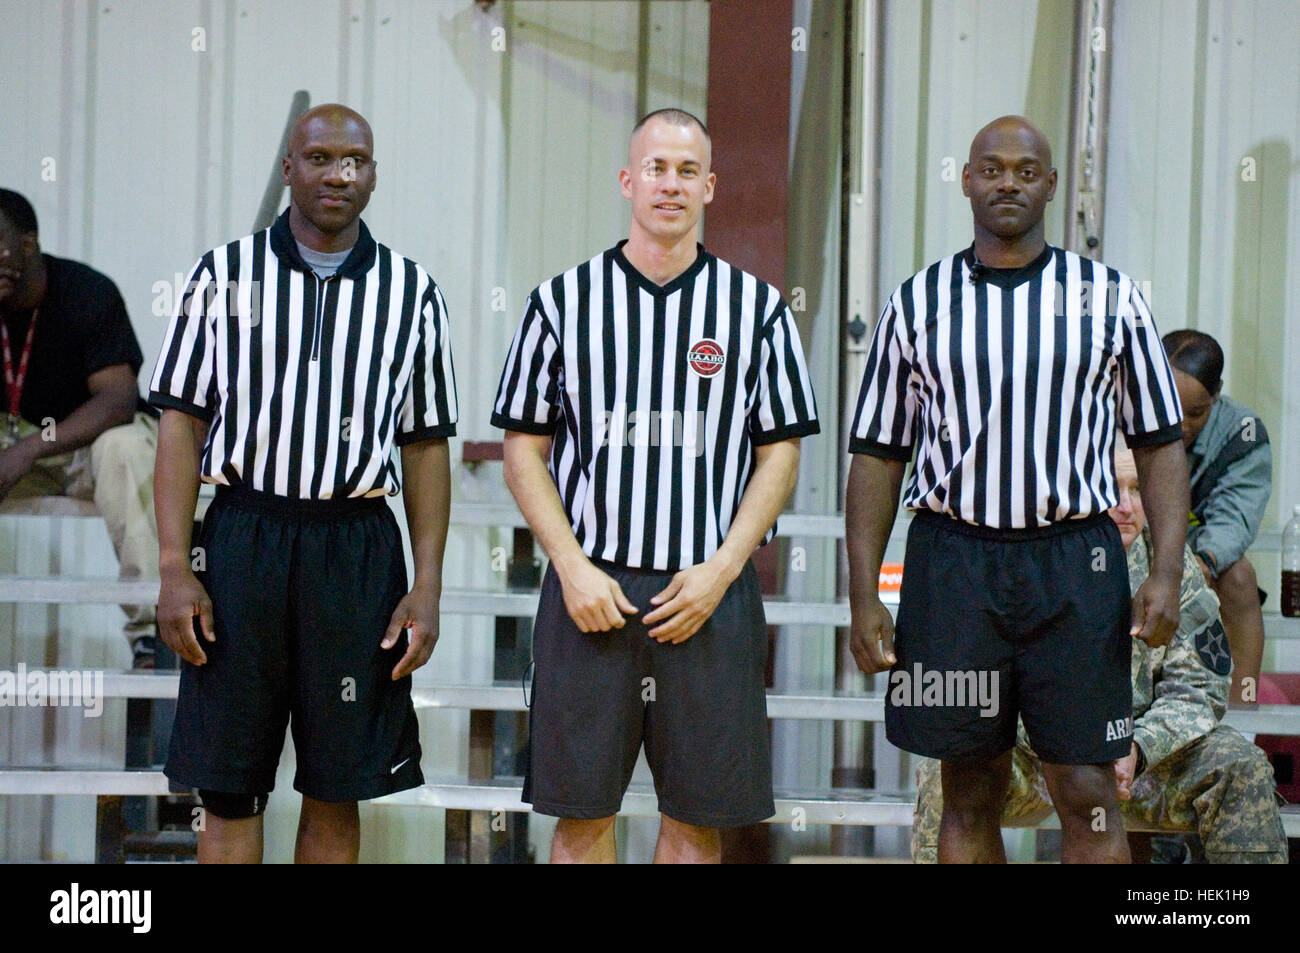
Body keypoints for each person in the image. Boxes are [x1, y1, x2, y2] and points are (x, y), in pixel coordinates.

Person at [845, 116, 1189, 863]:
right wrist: (863, 590)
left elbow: (1160, 444)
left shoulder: (1111, 298)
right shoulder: (918, 301)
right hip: (954, 566)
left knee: (1088, 788)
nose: (1008, 182)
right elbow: (877, 454)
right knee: (967, 787)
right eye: (992, 168)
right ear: (966, 179)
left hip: (1076, 567)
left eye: (1026, 170)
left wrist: (1164, 569)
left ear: (1052, 185)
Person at [491, 108, 819, 864]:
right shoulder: (560, 304)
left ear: (709, 185)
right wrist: (571, 566)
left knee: (697, 822)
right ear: (627, 181)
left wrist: (724, 568)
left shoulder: (756, 310)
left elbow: (780, 454)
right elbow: (522, 450)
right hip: (590, 595)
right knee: (579, 821)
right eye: (655, 167)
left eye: (685, 170)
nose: (669, 184)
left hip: (706, 593)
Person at [149, 104, 457, 863]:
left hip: (355, 552)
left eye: (355, 160)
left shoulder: (413, 293)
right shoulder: (221, 276)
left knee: (336, 785)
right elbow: (179, 427)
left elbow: (424, 448)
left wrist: (429, 585)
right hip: (244, 537)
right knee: (229, 788)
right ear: (289, 168)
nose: (338, 173)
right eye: (320, 157)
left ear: (373, 176)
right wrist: (170, 567)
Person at [911, 447, 1288, 864]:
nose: (1126, 507)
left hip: (1148, 766)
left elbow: (1199, 689)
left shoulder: (1171, 567)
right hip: (1040, 764)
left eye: (1138, 490)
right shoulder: (1029, 555)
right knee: (945, 769)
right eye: (1112, 489)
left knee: (1241, 764)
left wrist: (1139, 747)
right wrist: (1071, 749)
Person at [0, 189, 160, 666]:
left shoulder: (85, 292)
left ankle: (152, 632)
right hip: (15, 446)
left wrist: (28, 450)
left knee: (126, 447)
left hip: (85, 448)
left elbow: (117, 400)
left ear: (28, 245)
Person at [1162, 329, 1271, 709]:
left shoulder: (1242, 432)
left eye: (1196, 413)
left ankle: (1243, 713)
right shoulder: (1122, 412)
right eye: (1170, 407)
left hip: (1201, 554)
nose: (1181, 424)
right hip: (1133, 547)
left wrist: (1203, 561)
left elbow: (1236, 514)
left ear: (1217, 393)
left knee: (1240, 577)